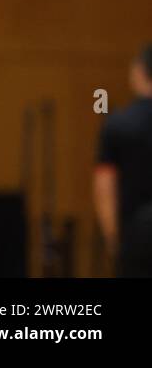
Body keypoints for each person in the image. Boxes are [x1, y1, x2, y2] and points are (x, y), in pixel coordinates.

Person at [94, 44, 152, 276]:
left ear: (139, 73)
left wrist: (112, 240)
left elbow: (104, 186)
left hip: (134, 237)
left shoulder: (117, 124)